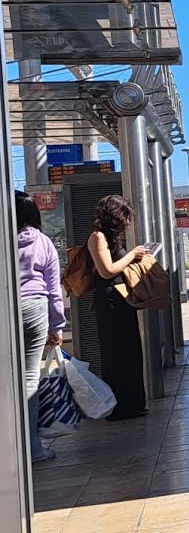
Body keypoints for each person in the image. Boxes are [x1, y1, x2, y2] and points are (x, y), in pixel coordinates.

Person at [87, 195, 150, 420]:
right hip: (110, 300)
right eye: (124, 216)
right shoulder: (98, 237)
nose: (127, 222)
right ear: (114, 216)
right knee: (116, 353)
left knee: (131, 351)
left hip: (122, 298)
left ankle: (133, 402)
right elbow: (106, 270)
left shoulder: (113, 239)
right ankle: (119, 406)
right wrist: (133, 255)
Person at [15, 191, 65, 462]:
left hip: (7, 308)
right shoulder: (43, 242)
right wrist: (57, 326)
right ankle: (32, 448)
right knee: (29, 378)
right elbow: (54, 288)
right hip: (35, 309)